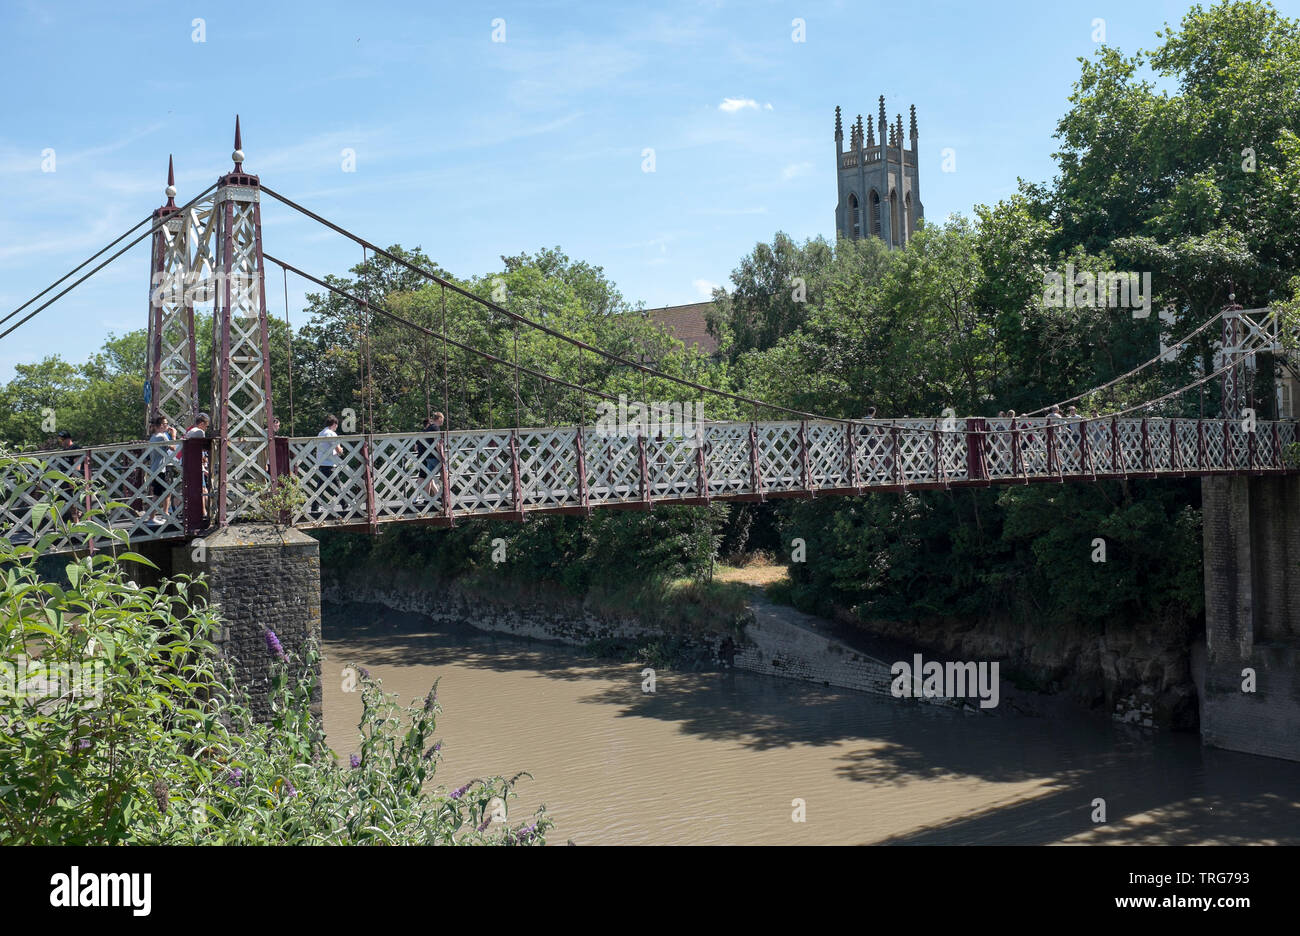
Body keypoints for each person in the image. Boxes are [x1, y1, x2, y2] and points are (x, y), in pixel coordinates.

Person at [146, 415, 179, 523]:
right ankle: (152, 518)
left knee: (167, 491)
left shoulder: (154, 436)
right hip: (160, 469)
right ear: (160, 426)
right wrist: (173, 435)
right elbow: (173, 447)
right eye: (165, 424)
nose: (167, 426)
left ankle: (165, 513)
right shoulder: (161, 436)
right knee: (157, 494)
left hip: (158, 468)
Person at [315, 415, 345, 515]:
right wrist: (341, 450)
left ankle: (315, 507)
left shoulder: (321, 433)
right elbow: (338, 449)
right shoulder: (331, 433)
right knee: (337, 485)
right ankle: (345, 504)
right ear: (334, 424)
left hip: (321, 463)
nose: (337, 427)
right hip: (329, 464)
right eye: (336, 425)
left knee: (320, 487)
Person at [417, 412, 446, 501]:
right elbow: (436, 442)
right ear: (440, 418)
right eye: (443, 419)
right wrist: (441, 455)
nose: (443, 421)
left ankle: (427, 498)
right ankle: (445, 496)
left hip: (427, 456)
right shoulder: (436, 428)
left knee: (429, 477)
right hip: (434, 455)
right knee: (446, 473)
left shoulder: (428, 428)